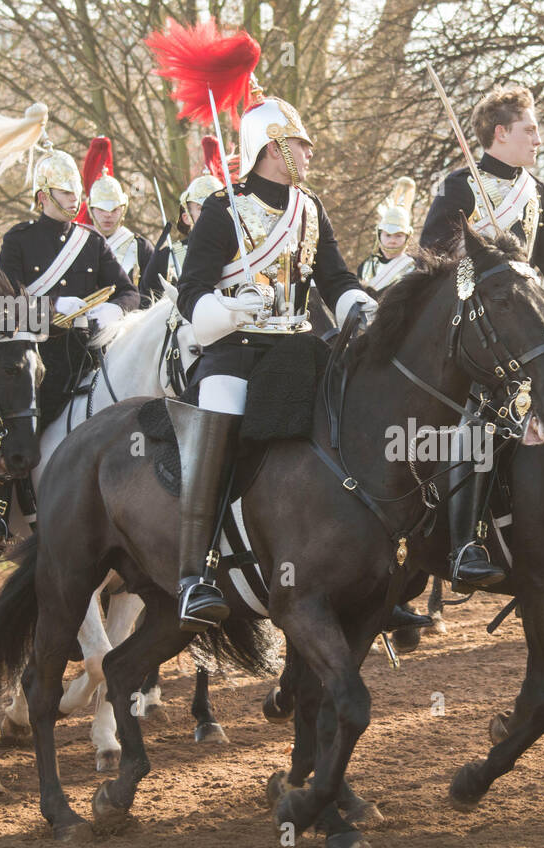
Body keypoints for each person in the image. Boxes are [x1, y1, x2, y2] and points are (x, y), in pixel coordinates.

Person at [158, 30, 380, 630]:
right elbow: (191, 292)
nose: (309, 155)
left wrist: (361, 303)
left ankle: (377, 561)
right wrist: (231, 309)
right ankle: (194, 572)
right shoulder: (223, 210)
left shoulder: (312, 210)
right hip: (234, 351)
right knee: (221, 417)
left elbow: (335, 277)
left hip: (300, 348)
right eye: (301, 146)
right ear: (275, 147)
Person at [0, 102, 140, 556]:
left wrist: (114, 313)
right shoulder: (20, 239)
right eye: (66, 194)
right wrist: (50, 308)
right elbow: (5, 303)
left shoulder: (91, 241)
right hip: (35, 359)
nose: (75, 200)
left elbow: (129, 293)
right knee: (16, 423)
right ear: (43, 196)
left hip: (86, 357)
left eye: (76, 194)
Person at [419, 83, 544, 591]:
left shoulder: (536, 190)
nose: (539, 138)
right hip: (477, 327)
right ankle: (464, 544)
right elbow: (431, 258)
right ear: (500, 133)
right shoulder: (460, 186)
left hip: (528, 322)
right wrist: (477, 271)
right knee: (479, 412)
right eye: (530, 129)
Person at [141, 137, 226, 301]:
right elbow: (146, 302)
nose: (210, 213)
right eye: (201, 208)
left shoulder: (239, 250)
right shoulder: (167, 257)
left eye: (216, 207)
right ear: (186, 217)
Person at [77, 137, 154, 305]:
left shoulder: (140, 247)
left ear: (123, 209)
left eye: (114, 210)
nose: (108, 216)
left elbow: (153, 293)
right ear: (91, 209)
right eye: (102, 210)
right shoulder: (77, 245)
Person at [357, 176, 417, 294]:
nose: (392, 240)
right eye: (388, 235)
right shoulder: (366, 266)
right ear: (379, 235)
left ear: (407, 237)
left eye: (398, 236)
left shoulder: (413, 267)